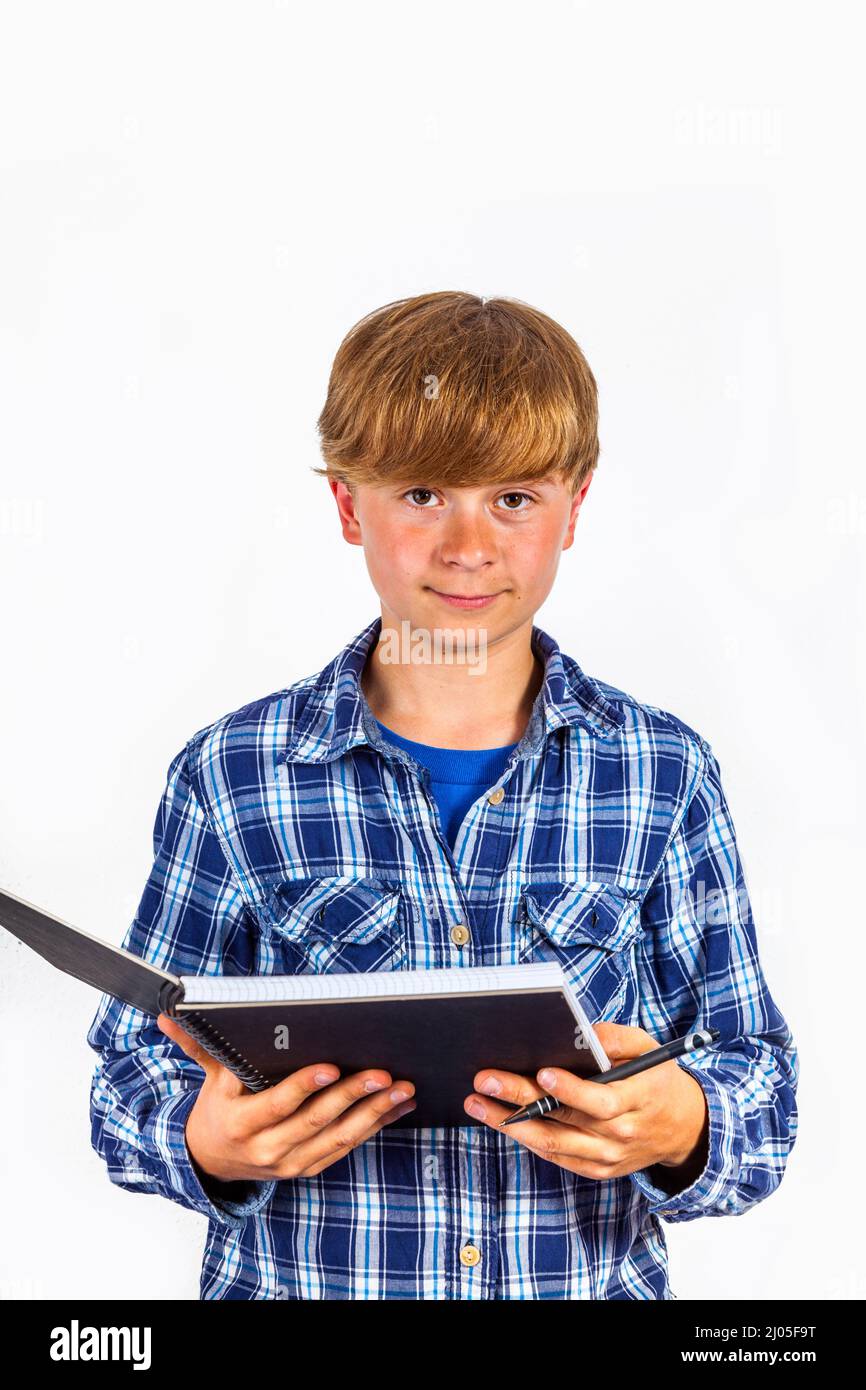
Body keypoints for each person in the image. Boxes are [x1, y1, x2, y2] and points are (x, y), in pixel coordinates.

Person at [87, 291, 799, 1300]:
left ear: (573, 508)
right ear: (346, 505)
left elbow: (756, 1093)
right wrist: (203, 1138)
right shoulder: (233, 776)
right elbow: (127, 1074)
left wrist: (684, 1122)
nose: (468, 544)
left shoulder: (659, 773)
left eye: (512, 497)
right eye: (421, 493)